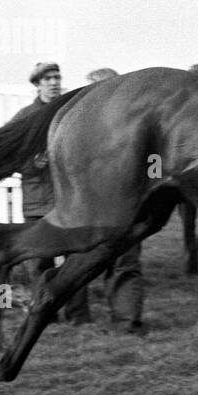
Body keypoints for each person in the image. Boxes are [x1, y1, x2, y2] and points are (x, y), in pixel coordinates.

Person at [11, 62, 91, 324]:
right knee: (40, 262)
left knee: (76, 259)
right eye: (48, 78)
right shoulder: (25, 117)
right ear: (37, 84)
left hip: (70, 198)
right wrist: (33, 163)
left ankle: (78, 314)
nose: (54, 82)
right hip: (37, 200)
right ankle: (45, 313)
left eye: (57, 77)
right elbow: (12, 157)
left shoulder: (74, 112)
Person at [82, 68, 146, 332]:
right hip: (103, 204)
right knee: (113, 262)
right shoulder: (92, 122)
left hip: (121, 203)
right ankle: (112, 318)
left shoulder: (126, 122)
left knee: (123, 263)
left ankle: (126, 321)